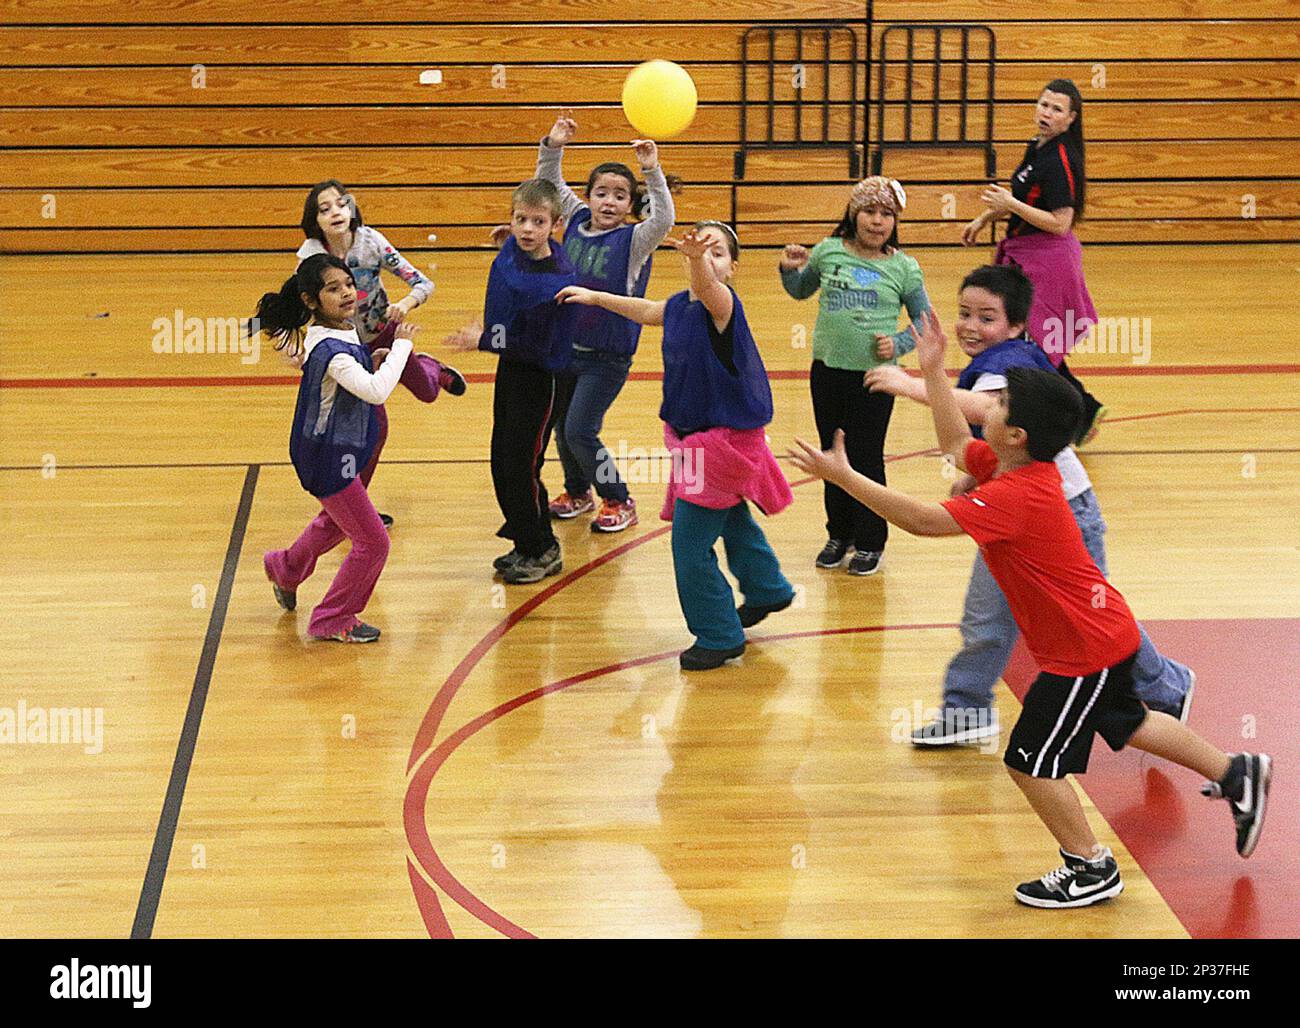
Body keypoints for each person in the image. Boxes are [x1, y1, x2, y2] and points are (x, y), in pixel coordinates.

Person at [790, 311, 1271, 908]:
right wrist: (933, 372)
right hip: (1100, 634)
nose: (985, 408)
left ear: (1016, 434)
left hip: (1080, 653)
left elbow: (920, 520)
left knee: (1028, 762)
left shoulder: (1015, 493)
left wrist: (847, 476)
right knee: (1127, 721)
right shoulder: (1019, 468)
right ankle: (1236, 771)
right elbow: (952, 445)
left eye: (997, 405)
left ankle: (1091, 866)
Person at [865, 265, 1192, 745]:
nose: (971, 326)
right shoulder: (1005, 360)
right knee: (989, 618)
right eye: (964, 313)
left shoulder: (1010, 364)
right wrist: (975, 473)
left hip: (1064, 515)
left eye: (987, 317)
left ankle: (1167, 685)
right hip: (1016, 509)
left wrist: (912, 382)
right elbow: (968, 444)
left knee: (1091, 614)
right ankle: (967, 710)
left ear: (1016, 326)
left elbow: (979, 410)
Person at [558, 223, 795, 671]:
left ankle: (719, 635)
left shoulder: (722, 305)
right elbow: (648, 310)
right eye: (702, 246)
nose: (708, 257)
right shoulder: (681, 306)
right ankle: (767, 588)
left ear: (732, 268)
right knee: (730, 518)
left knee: (688, 545)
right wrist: (595, 298)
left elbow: (706, 284)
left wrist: (694, 259)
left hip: (720, 446)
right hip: (704, 442)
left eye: (717, 252)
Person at [255, 254, 413, 642]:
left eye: (347, 284)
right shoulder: (333, 348)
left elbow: (351, 375)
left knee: (335, 523)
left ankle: (286, 567)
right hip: (328, 459)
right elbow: (376, 392)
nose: (346, 293)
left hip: (334, 448)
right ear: (311, 301)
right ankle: (333, 617)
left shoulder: (335, 332)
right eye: (333, 288)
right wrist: (400, 348)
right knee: (374, 542)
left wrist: (370, 359)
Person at [780, 176, 933, 575]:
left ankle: (870, 540)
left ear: (895, 221)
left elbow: (923, 319)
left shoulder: (904, 267)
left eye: (886, 214)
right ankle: (839, 533)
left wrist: (898, 345)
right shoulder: (829, 252)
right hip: (827, 372)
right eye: (869, 211)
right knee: (832, 456)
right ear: (853, 213)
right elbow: (799, 290)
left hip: (877, 379)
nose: (877, 221)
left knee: (865, 458)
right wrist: (788, 269)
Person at [533, 111, 676, 533]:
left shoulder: (634, 241)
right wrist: (554, 145)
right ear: (588, 197)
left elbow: (664, 219)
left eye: (619, 195)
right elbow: (549, 185)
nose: (609, 202)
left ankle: (619, 498)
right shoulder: (574, 220)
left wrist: (652, 170)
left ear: (630, 205)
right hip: (565, 350)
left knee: (580, 429)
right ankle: (578, 491)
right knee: (561, 427)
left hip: (607, 358)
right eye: (601, 193)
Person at [297, 180, 466, 528]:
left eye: (340, 204)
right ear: (315, 221)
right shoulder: (310, 255)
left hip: (385, 333)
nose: (335, 212)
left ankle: (431, 369)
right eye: (324, 208)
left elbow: (423, 282)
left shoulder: (372, 242)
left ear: (352, 208)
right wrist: (297, 345)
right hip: (348, 349)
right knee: (374, 428)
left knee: (428, 393)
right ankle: (358, 508)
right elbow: (302, 304)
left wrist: (403, 305)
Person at [447, 179, 578, 584]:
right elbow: (512, 266)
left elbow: (535, 344)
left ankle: (542, 548)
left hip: (544, 377)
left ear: (555, 225)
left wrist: (482, 340)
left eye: (538, 222)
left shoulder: (555, 282)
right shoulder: (514, 249)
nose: (526, 229)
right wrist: (509, 239)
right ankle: (525, 539)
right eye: (520, 219)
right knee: (502, 461)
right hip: (512, 369)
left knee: (522, 466)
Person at [962, 79, 1104, 445]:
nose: (1047, 113)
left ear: (1071, 119)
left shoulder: (1061, 160)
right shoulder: (1037, 148)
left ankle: (1079, 412)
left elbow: (1060, 222)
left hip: (1049, 262)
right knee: (1033, 342)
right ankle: (1081, 410)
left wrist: (1008, 205)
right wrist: (985, 219)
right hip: (1027, 253)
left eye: (1057, 109)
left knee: (1037, 343)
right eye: (1043, 105)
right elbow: (1025, 201)